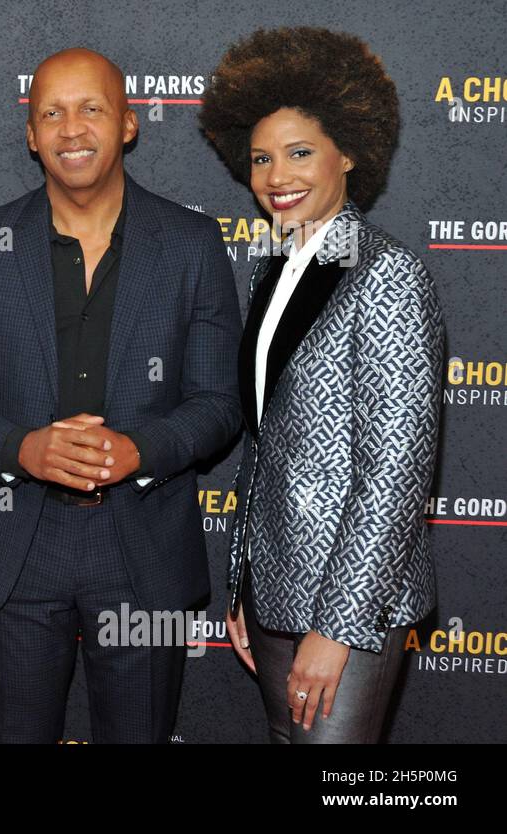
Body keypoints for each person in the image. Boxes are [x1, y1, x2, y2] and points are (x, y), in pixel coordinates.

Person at [0, 48, 243, 743]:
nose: (72, 130)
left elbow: (220, 401)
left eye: (90, 108)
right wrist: (21, 448)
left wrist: (140, 449)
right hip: (19, 547)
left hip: (143, 549)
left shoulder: (190, 244)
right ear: (31, 134)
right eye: (52, 113)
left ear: (128, 123)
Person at [200, 27, 444, 743]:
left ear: (349, 152)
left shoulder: (385, 274)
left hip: (350, 604)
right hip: (273, 587)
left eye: (300, 152)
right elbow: (266, 443)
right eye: (261, 158)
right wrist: (243, 578)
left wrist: (336, 627)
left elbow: (396, 474)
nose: (277, 175)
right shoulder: (273, 266)